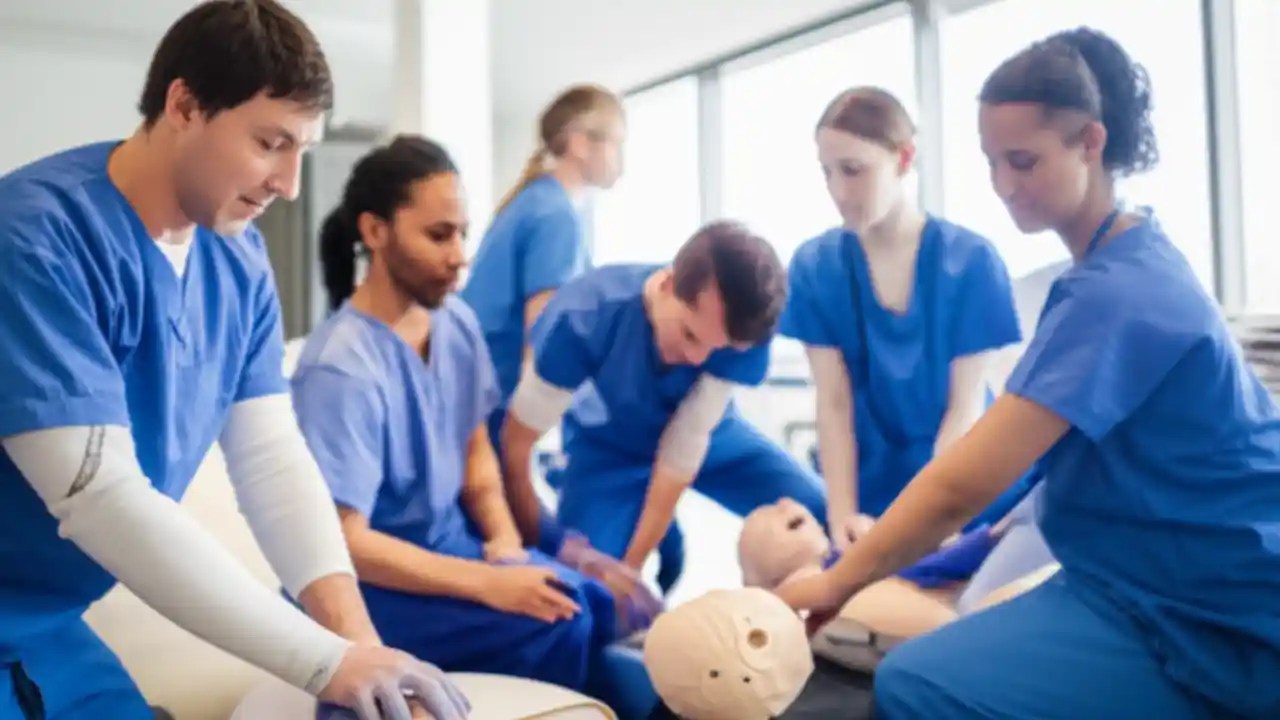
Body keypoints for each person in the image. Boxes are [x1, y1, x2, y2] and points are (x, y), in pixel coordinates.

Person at [778, 27, 1280, 720]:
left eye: (1022, 161)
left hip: (1216, 597)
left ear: (1091, 143)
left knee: (916, 683)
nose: (1003, 185)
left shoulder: (1120, 292)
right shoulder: (1113, 264)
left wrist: (836, 584)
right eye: (990, 162)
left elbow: (962, 483)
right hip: (1122, 570)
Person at [0, 3, 467, 720]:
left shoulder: (236, 258)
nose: (289, 184)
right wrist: (323, 662)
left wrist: (361, 648)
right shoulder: (34, 238)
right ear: (183, 105)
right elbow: (100, 495)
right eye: (270, 142)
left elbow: (271, 458)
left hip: (49, 627)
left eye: (302, 150)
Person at [296, 135, 660, 699]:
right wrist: (488, 585)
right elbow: (346, 543)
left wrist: (505, 543)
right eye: (439, 235)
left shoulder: (456, 326)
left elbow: (475, 454)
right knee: (560, 621)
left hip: (454, 549)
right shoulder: (340, 368)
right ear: (375, 232)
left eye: (463, 232)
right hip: (375, 585)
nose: (460, 254)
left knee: (594, 599)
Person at [500, 223, 828, 592]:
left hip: (712, 436)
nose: (697, 357)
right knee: (586, 593)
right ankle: (656, 529)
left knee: (830, 518)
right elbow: (515, 447)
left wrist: (634, 563)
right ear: (667, 285)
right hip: (608, 451)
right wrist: (558, 546)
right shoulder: (583, 318)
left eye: (717, 350)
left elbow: (681, 450)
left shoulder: (745, 326)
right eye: (689, 334)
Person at [779, 86, 1031, 553]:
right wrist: (842, 518)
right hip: (870, 494)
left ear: (904, 157)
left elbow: (964, 408)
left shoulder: (971, 261)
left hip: (968, 483)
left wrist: (935, 518)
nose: (838, 191)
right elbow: (833, 405)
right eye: (827, 173)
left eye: (854, 171)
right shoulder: (815, 267)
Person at [459, 84, 625, 455]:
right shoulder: (556, 215)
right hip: (498, 405)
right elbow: (545, 330)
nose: (621, 158)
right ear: (581, 144)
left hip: (475, 394)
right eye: (615, 142)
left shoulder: (534, 200)